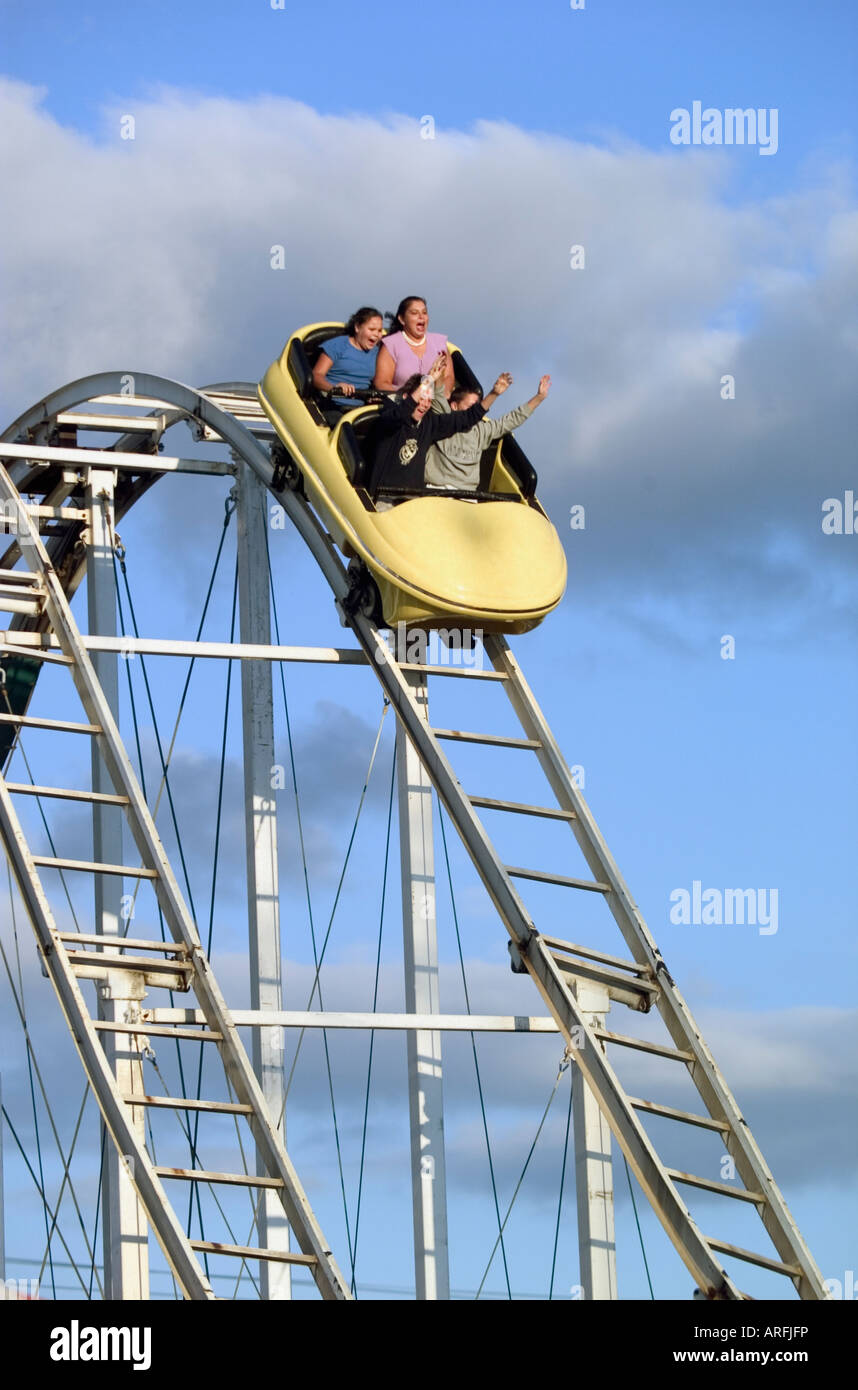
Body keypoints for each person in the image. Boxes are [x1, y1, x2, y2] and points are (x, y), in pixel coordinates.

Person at [365, 361, 489, 501]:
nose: (424, 405)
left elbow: (466, 418)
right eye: (421, 398)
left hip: (414, 503)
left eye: (429, 401)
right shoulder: (388, 418)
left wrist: (494, 394)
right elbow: (399, 415)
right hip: (382, 499)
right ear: (407, 397)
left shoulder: (429, 424)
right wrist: (428, 380)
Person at [424, 370, 551, 492]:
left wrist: (539, 397)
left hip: (466, 495)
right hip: (437, 490)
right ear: (454, 406)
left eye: (476, 407)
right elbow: (438, 394)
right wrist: (438, 374)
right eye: (470, 407)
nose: (474, 411)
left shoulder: (481, 430)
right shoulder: (442, 421)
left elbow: (511, 420)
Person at [373, 296, 456, 396]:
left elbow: (449, 377)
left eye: (424, 312)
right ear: (402, 319)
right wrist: (409, 398)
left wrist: (440, 396)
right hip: (402, 405)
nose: (421, 316)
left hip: (435, 405)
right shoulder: (391, 344)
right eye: (414, 313)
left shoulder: (440, 343)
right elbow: (382, 382)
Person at [312, 308, 384, 413]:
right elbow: (316, 376)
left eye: (379, 331)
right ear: (357, 327)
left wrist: (375, 397)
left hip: (361, 410)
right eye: (372, 329)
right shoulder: (337, 345)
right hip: (333, 405)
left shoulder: (379, 353)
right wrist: (334, 388)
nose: (377, 335)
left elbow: (380, 382)